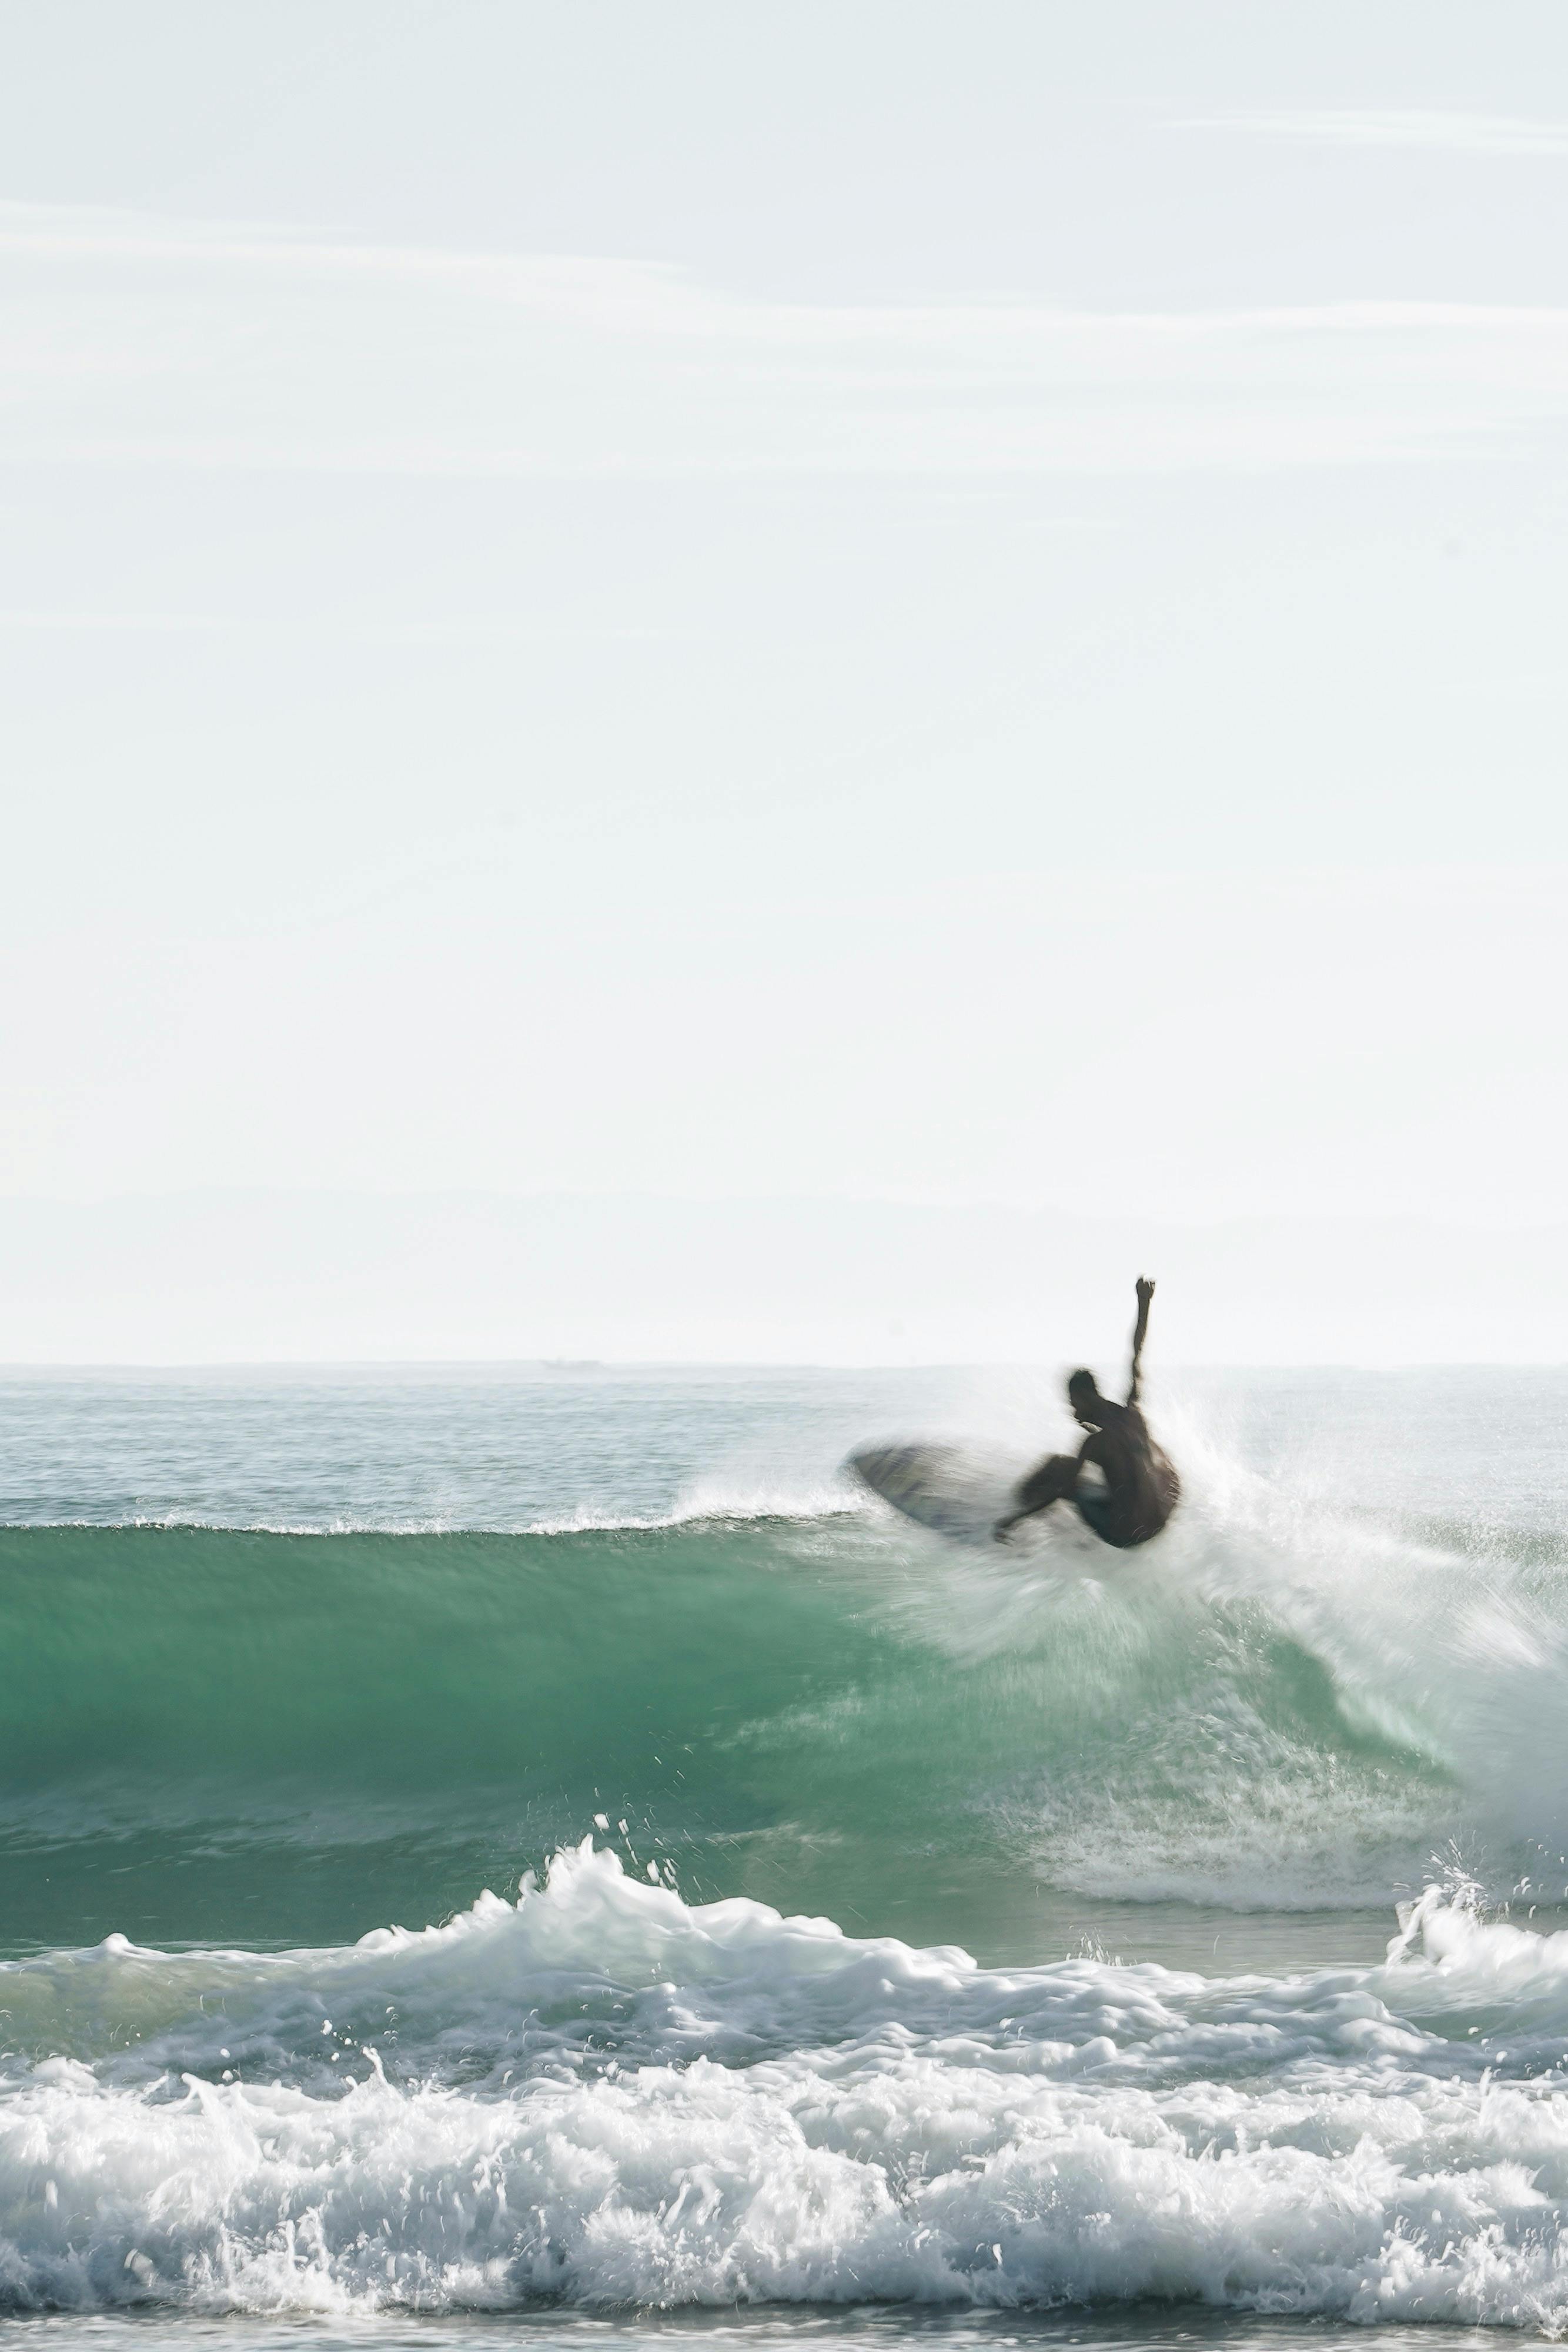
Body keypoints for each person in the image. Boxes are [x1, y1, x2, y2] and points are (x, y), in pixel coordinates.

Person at [994, 1277, 1179, 1549]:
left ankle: (1020, 1506)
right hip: (1160, 1520)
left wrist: (1015, 1519)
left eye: (1073, 1403)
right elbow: (1136, 1354)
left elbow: (1061, 1488)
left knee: (1060, 1469)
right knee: (1152, 1462)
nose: (1072, 1412)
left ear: (1085, 1397)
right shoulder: (1133, 1410)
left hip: (1127, 1535)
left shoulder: (1094, 1444)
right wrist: (1144, 1302)